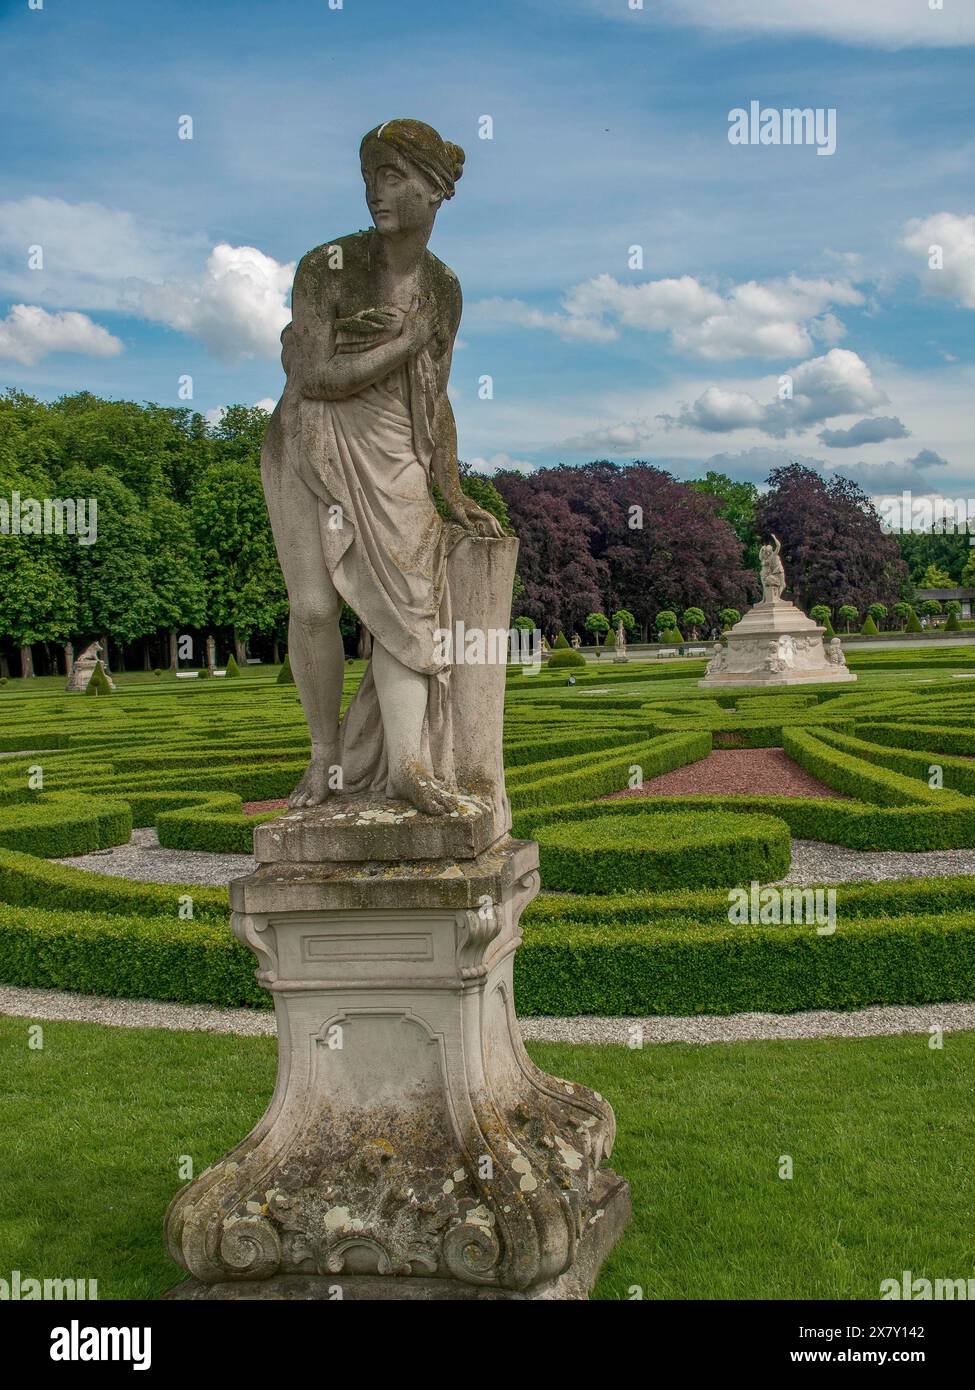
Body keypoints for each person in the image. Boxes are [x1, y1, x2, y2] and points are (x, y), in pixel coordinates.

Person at [261, 119, 503, 815]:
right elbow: (312, 375)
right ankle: (322, 760)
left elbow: (436, 396)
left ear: (435, 193)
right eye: (370, 177)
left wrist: (451, 491)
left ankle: (407, 768)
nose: (376, 192)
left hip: (393, 448)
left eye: (393, 177)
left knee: (408, 606)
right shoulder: (327, 264)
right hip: (308, 440)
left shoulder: (443, 287)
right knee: (311, 607)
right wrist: (403, 345)